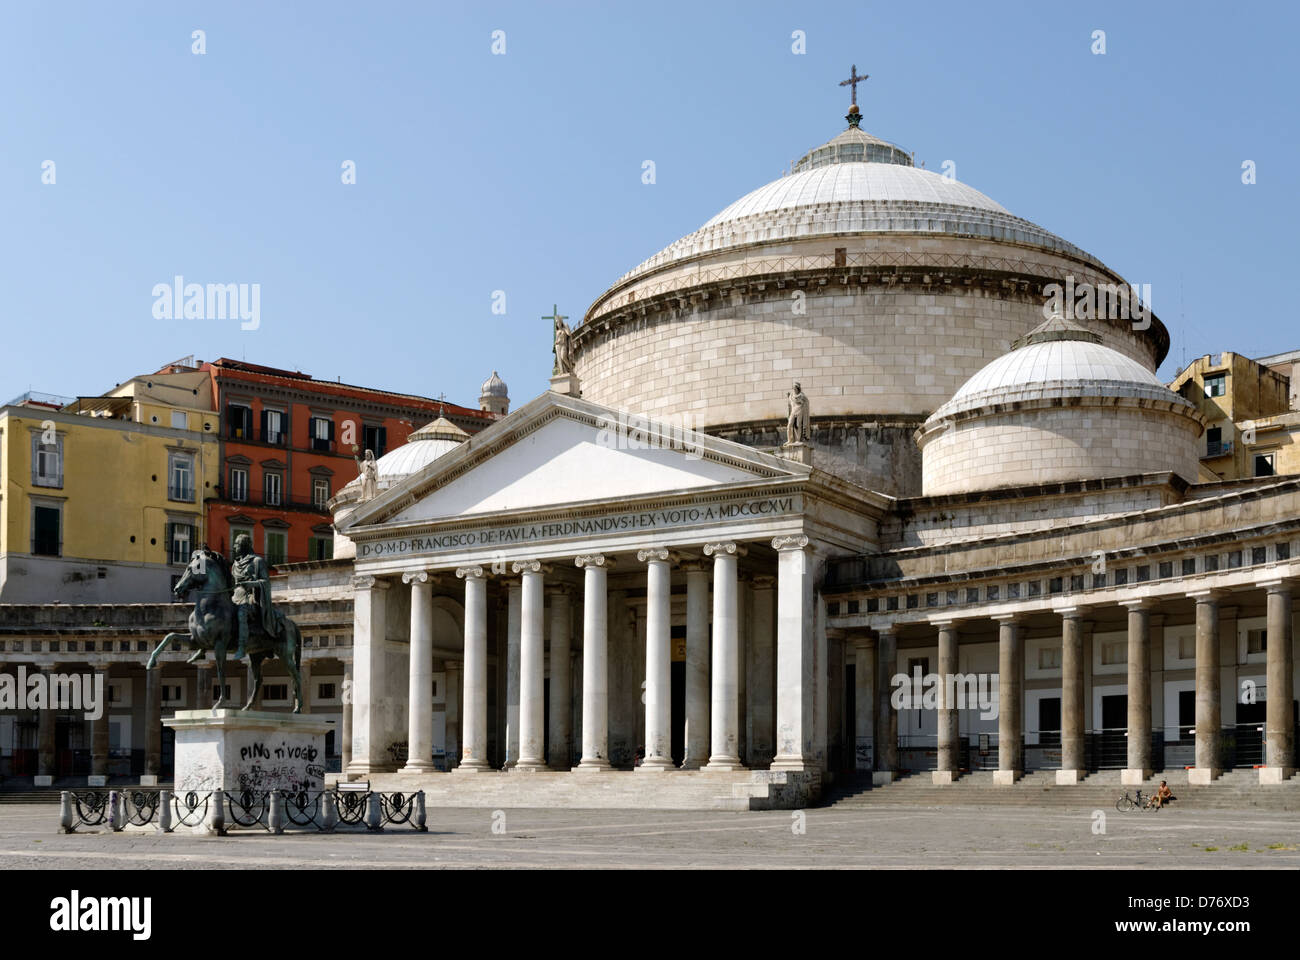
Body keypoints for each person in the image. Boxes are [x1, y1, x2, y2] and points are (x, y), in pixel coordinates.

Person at [230, 533, 284, 659]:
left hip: (250, 598)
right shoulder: (235, 565)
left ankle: (242, 647)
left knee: (241, 613)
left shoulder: (257, 561)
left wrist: (250, 584)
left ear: (244, 546)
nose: (234, 547)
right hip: (235, 597)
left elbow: (266, 582)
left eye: (237, 544)